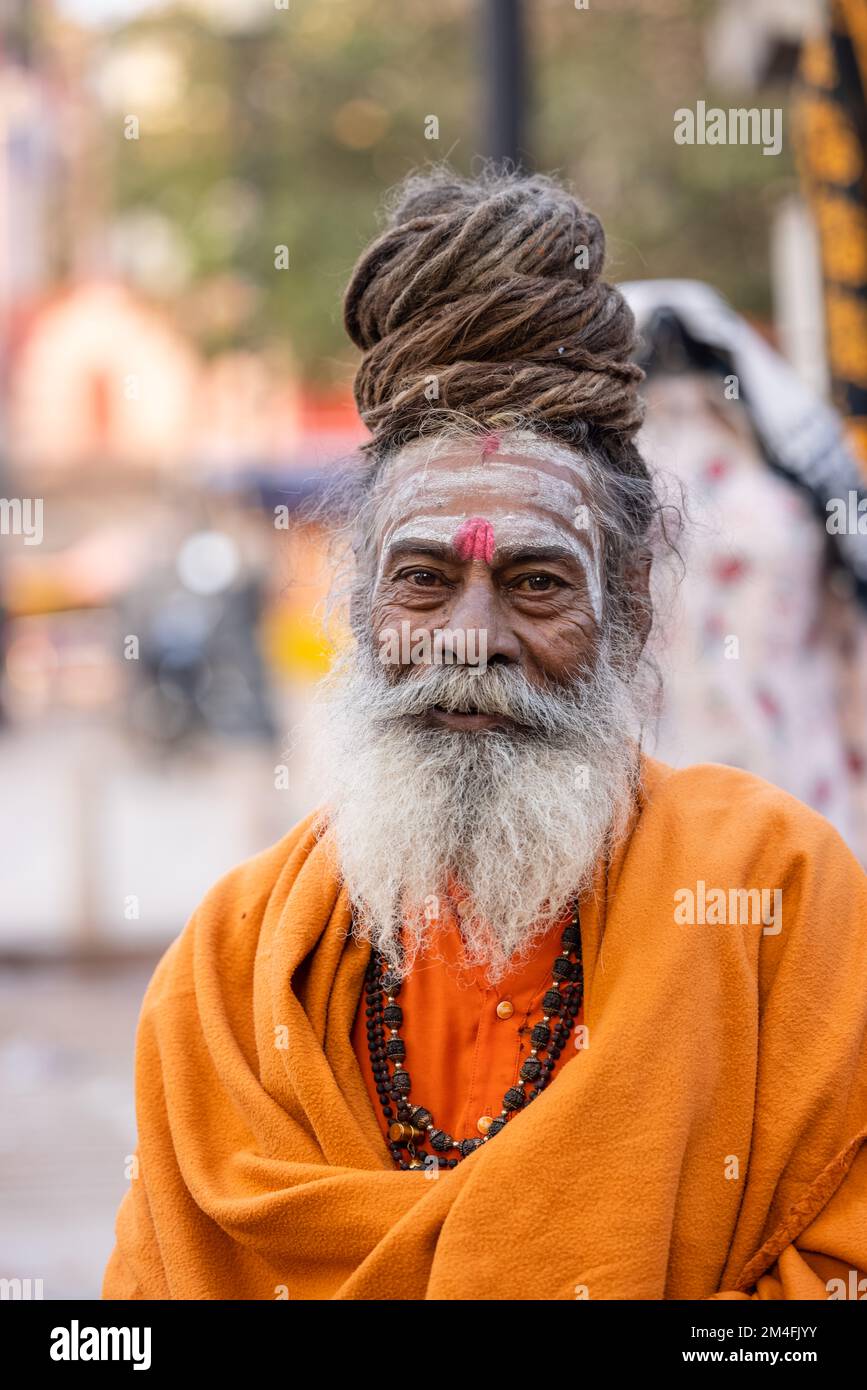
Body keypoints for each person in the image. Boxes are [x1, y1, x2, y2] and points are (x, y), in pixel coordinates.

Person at [103, 166, 867, 1301]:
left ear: (631, 612)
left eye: (536, 582)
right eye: (423, 581)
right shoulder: (225, 972)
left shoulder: (777, 895)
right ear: (360, 609)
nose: (472, 639)